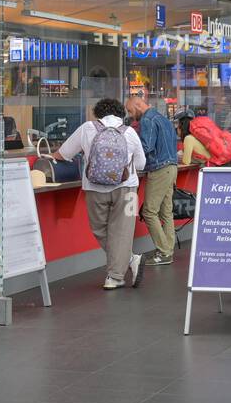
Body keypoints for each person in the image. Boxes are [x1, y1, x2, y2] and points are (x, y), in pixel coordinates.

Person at [58, 97, 147, 290]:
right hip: (127, 188)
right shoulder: (130, 132)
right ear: (120, 114)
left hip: (94, 188)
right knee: (122, 232)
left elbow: (64, 153)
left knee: (99, 229)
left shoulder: (87, 128)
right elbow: (141, 164)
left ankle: (117, 272)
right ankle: (125, 265)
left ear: (97, 113)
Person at [128, 95, 178, 268]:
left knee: (149, 212)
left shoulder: (147, 120)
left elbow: (146, 146)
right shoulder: (163, 119)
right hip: (171, 167)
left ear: (138, 105)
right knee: (166, 212)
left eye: (130, 110)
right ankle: (167, 250)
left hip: (159, 169)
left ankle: (164, 252)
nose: (131, 115)